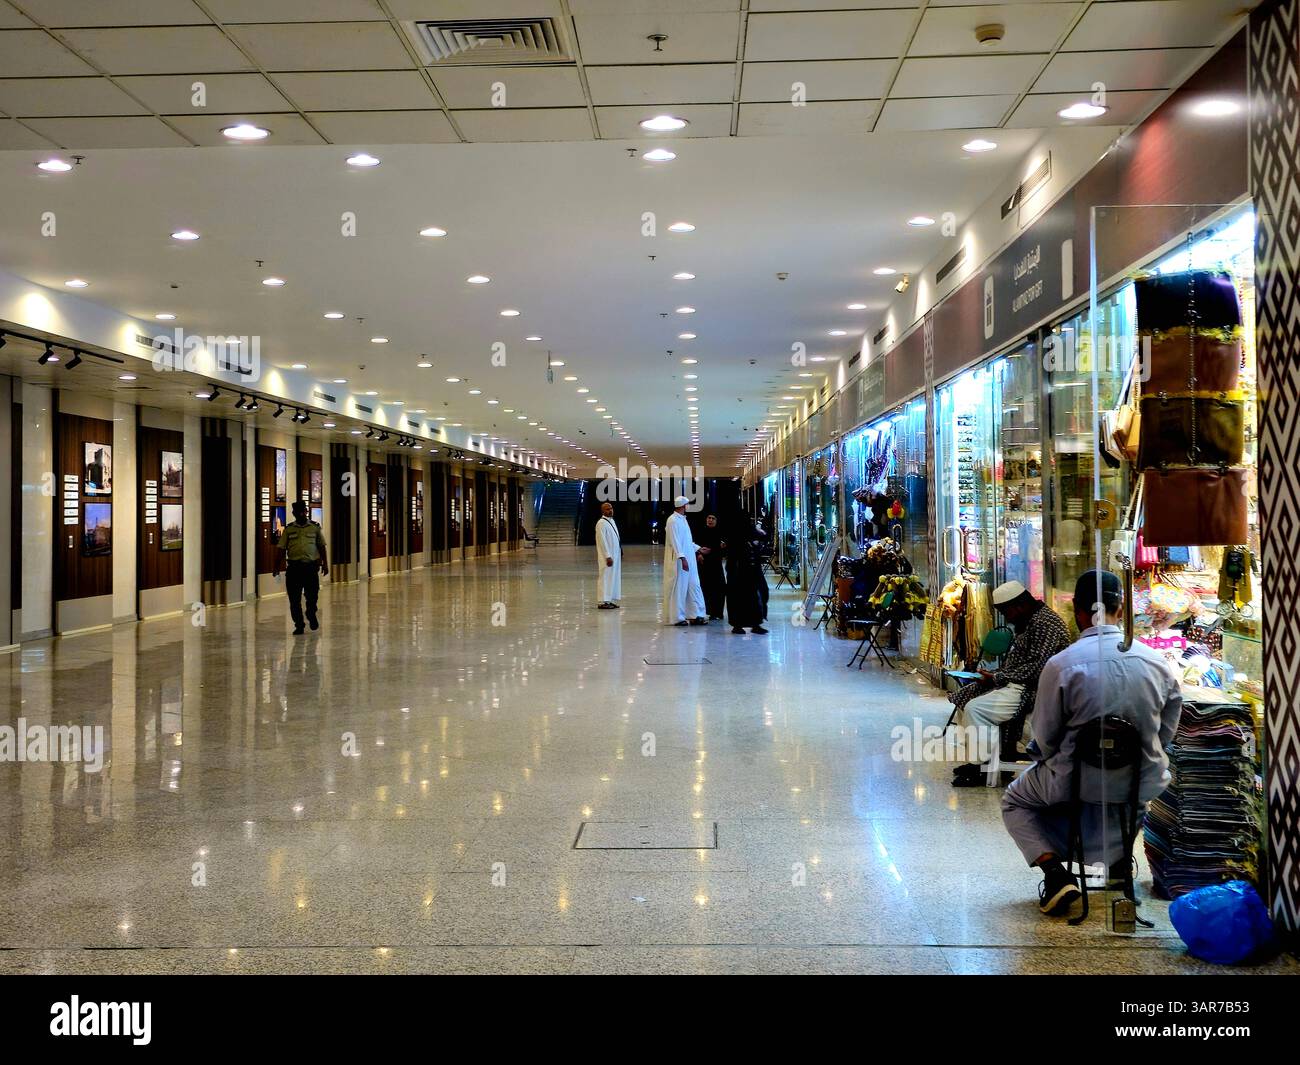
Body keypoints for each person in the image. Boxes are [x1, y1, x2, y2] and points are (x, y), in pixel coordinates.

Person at [1002, 570, 1183, 916]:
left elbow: (1046, 737)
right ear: (1122, 608)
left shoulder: (1061, 665)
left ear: (1079, 612)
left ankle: (1056, 876)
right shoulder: (1159, 664)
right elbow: (1166, 734)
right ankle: (1117, 868)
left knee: (1015, 800)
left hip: (1073, 781)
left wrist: (1055, 757)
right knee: (1128, 802)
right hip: (1137, 783)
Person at [950, 580, 1071, 787]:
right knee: (967, 696)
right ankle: (982, 760)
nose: (1007, 618)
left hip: (1032, 689)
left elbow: (1038, 668)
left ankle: (984, 767)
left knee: (975, 709)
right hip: (1016, 683)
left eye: (1007, 613)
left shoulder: (1045, 624)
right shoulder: (1033, 620)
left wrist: (997, 677)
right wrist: (994, 675)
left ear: (1019, 606)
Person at [274, 500, 329, 635]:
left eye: (303, 512)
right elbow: (281, 549)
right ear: (294, 513)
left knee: (312, 596)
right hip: (294, 569)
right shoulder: (289, 529)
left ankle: (311, 613)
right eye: (298, 512)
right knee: (294, 600)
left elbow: (322, 547)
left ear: (306, 512)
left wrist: (325, 563)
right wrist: (276, 566)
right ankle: (299, 624)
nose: (301, 514)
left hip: (310, 568)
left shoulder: (315, 528)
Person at [663, 496, 706, 626]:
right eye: (687, 504)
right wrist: (682, 558)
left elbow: (686, 541)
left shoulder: (683, 520)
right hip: (679, 561)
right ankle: (677, 618)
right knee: (680, 589)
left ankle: (695, 615)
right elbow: (674, 541)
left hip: (689, 559)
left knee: (694, 585)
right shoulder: (672, 520)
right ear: (682, 505)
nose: (688, 506)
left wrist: (698, 548)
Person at [725, 517, 768, 635]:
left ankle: (754, 624)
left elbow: (762, 538)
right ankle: (740, 625)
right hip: (739, 573)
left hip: (750, 572)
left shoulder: (749, 535)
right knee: (741, 599)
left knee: (753, 597)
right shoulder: (737, 537)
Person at [696, 513, 726, 621]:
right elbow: (695, 545)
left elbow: (724, 547)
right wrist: (699, 554)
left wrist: (719, 548)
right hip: (704, 565)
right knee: (706, 588)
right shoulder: (700, 531)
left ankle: (718, 612)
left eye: (713, 518)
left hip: (716, 565)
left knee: (719, 588)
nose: (710, 520)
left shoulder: (720, 532)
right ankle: (707, 611)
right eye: (709, 518)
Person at [595, 501, 621, 610]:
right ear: (602, 511)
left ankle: (609, 599)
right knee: (605, 577)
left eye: (611, 508)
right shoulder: (601, 523)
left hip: (615, 555)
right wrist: (607, 556)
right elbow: (602, 541)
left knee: (612, 578)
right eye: (607, 509)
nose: (610, 510)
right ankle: (602, 601)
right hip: (607, 557)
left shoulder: (611, 521)